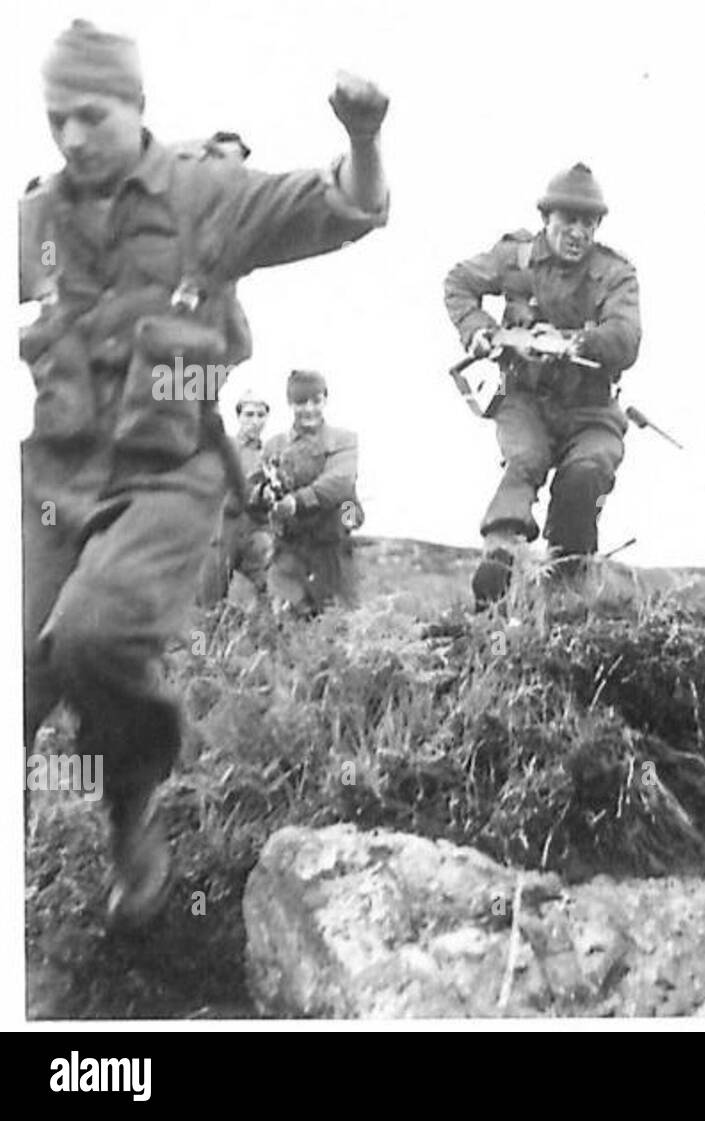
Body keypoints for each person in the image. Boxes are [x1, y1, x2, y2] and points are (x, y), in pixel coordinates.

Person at [20, 19, 389, 930]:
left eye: (92, 116)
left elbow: (348, 205)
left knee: (92, 638)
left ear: (137, 106)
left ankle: (131, 808)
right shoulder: (37, 221)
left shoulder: (205, 195)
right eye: (57, 118)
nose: (73, 137)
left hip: (168, 472)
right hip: (53, 483)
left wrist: (364, 135)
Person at [444, 163, 641, 607]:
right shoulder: (515, 258)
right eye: (568, 220)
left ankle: (565, 578)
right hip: (525, 398)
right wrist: (478, 330)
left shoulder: (615, 274)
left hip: (591, 408)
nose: (578, 233)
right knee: (526, 458)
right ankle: (500, 558)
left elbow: (626, 339)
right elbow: (458, 282)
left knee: (588, 471)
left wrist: (570, 342)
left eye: (588, 223)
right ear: (546, 218)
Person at [260, 369, 363, 614]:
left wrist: (296, 502)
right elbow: (253, 487)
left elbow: (340, 481)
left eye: (316, 401)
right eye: (301, 402)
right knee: (285, 619)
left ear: (325, 400)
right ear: (290, 403)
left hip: (333, 543)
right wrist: (263, 494)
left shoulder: (344, 440)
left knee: (341, 619)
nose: (309, 409)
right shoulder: (274, 445)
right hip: (291, 546)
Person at [196, 387, 274, 605]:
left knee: (270, 585)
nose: (255, 421)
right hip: (224, 529)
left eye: (260, 415)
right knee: (208, 598)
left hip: (256, 531)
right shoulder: (224, 449)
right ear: (239, 417)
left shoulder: (270, 454)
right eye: (249, 414)